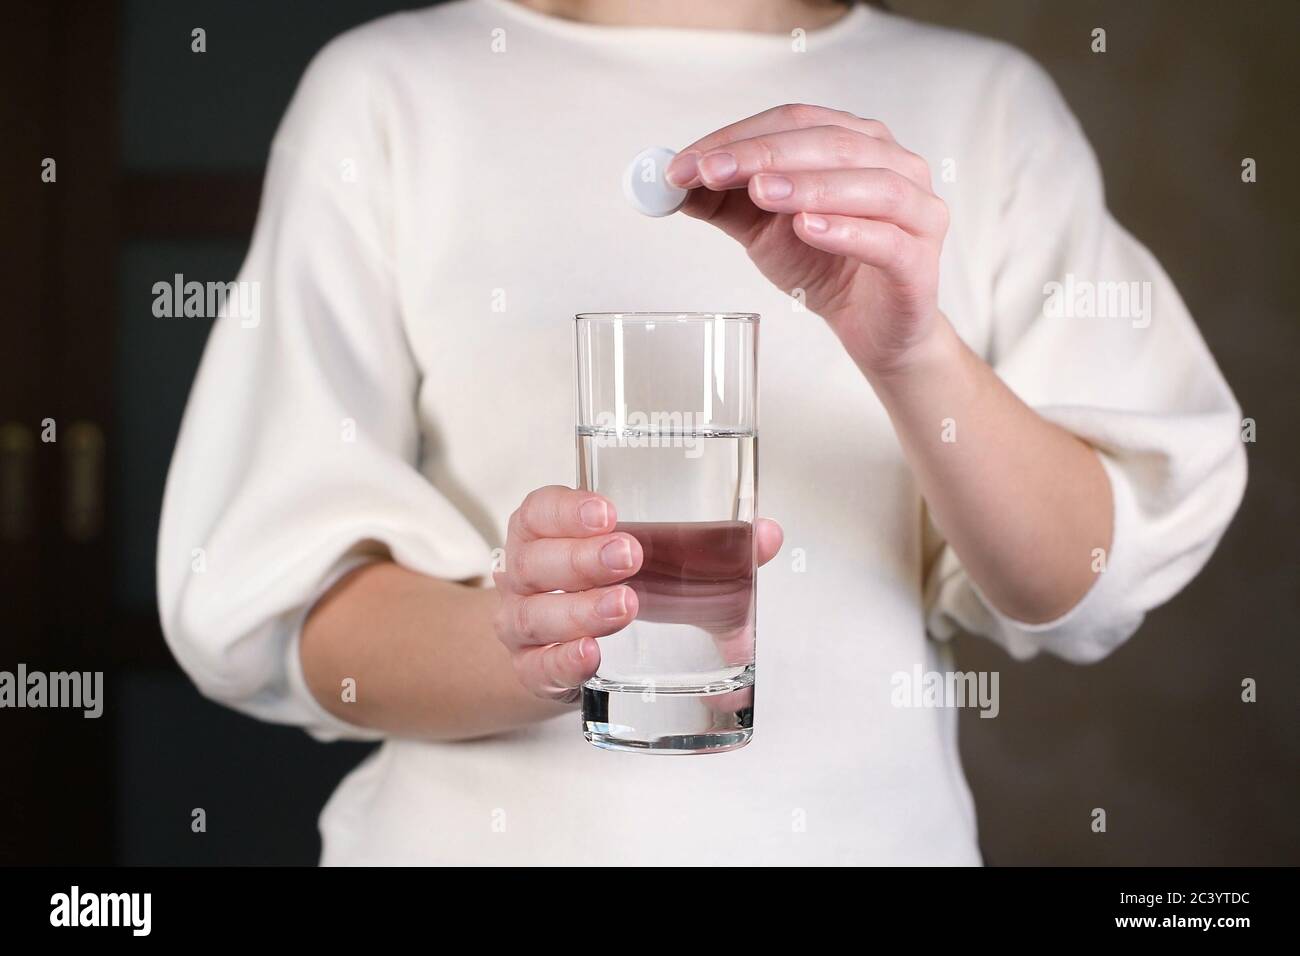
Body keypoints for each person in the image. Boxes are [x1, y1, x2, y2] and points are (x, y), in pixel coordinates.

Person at [157, 0, 1246, 865]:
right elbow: (277, 594)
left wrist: (910, 353)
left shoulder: (988, 104)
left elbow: (1085, 580)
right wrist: (523, 640)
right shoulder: (387, 90)